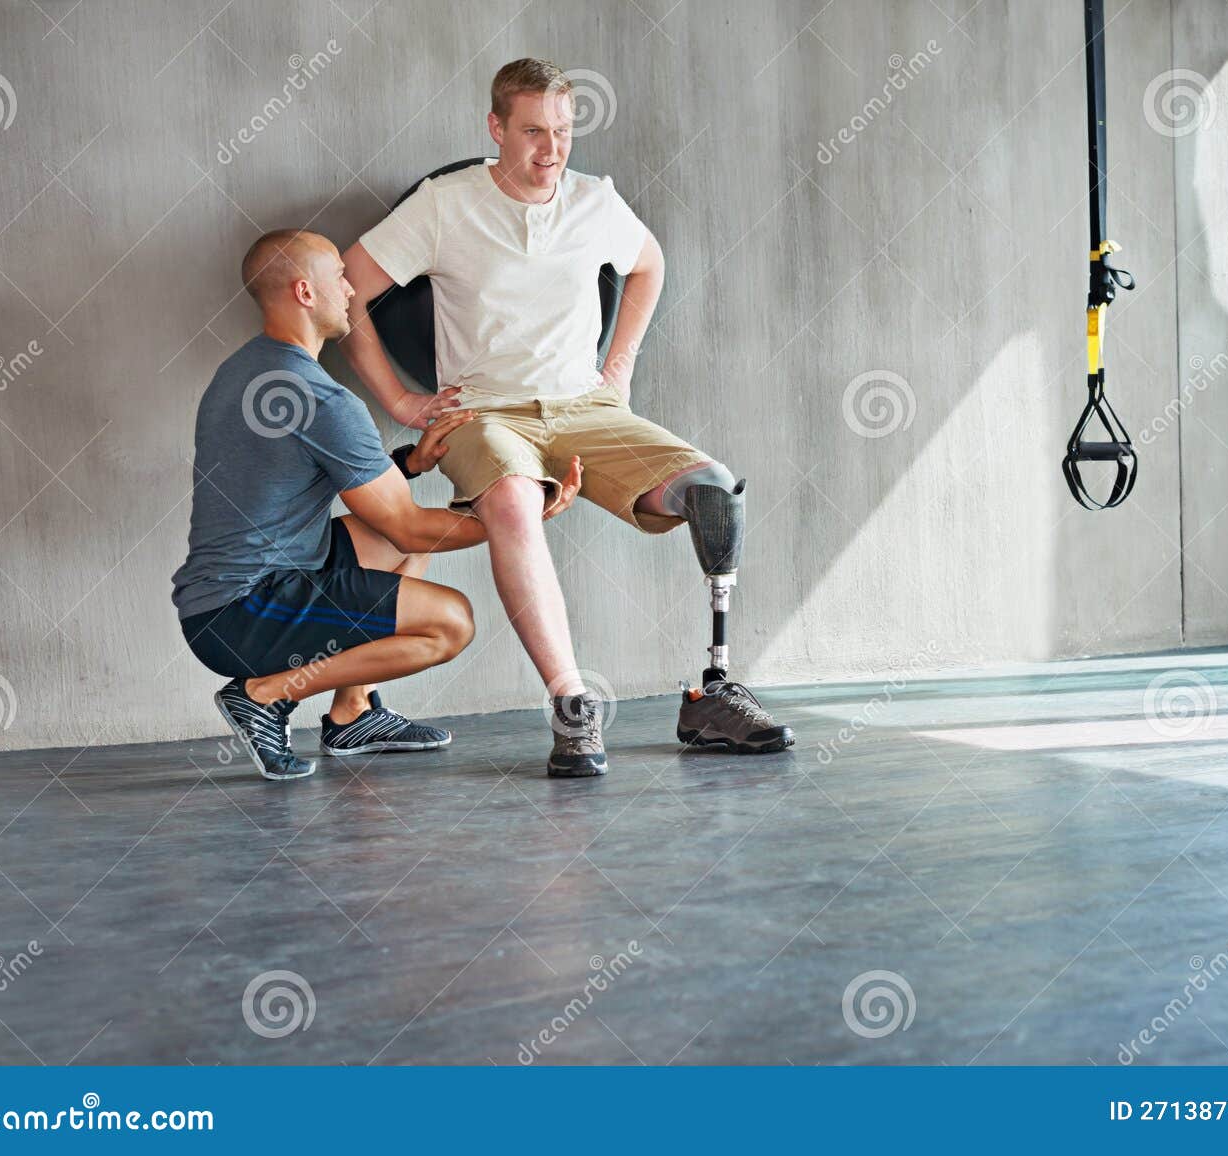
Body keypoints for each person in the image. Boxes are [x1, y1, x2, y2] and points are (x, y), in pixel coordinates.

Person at [339, 58, 794, 778]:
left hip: (584, 407)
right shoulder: (442, 204)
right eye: (530, 132)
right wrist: (400, 401)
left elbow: (649, 264)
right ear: (495, 128)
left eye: (562, 131)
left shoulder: (595, 201)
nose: (550, 150)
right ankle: (573, 703)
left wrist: (620, 370)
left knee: (714, 489)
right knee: (514, 506)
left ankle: (714, 691)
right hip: (485, 414)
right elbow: (345, 289)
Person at [171, 228, 581, 779]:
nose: (350, 289)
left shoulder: (247, 371)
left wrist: (408, 464)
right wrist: (519, 516)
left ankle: (353, 713)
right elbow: (412, 528)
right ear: (304, 293)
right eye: (338, 275)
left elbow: (305, 477)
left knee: (390, 534)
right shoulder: (322, 397)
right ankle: (263, 695)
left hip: (222, 601)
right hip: (243, 611)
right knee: (449, 624)